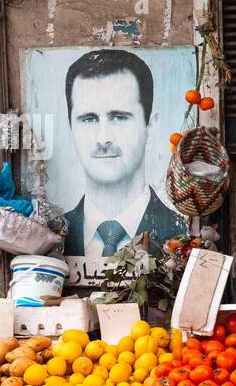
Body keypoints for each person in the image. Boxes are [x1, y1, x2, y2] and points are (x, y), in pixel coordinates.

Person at [60, 49, 185, 258]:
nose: (103, 138)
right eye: (89, 119)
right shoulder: (52, 236)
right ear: (70, 127)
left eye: (118, 117)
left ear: (150, 126)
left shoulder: (183, 234)